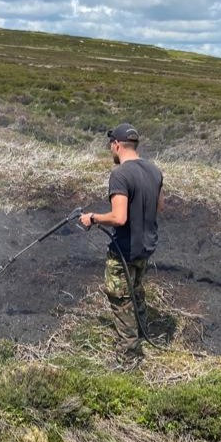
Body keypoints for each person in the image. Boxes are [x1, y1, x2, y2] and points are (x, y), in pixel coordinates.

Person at [80, 123, 164, 362]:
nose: (111, 150)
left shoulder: (120, 174)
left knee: (119, 297)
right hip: (146, 247)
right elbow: (159, 207)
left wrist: (93, 218)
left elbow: (119, 218)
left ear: (117, 145)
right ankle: (142, 331)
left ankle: (129, 354)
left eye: (111, 145)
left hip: (124, 250)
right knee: (135, 289)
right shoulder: (154, 171)